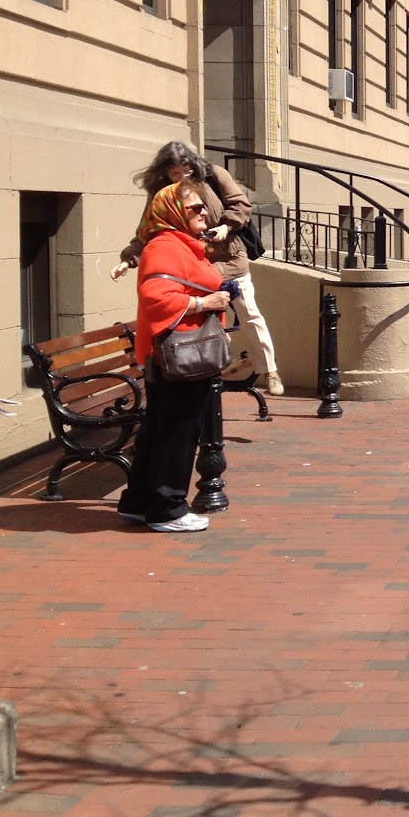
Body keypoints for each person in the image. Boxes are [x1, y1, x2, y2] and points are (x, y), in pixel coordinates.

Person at [112, 142, 283, 397]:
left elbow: (240, 205)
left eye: (187, 172)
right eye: (175, 174)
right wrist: (129, 258)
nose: (182, 178)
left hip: (230, 258)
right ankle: (208, 370)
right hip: (197, 268)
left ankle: (270, 371)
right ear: (165, 173)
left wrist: (227, 226)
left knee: (249, 314)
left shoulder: (213, 175)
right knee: (206, 323)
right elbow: (150, 227)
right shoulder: (164, 193)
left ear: (194, 165)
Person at [118, 183, 231, 533]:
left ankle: (139, 502)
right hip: (180, 354)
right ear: (173, 211)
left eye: (203, 207)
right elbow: (155, 296)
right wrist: (203, 303)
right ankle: (168, 508)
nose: (203, 212)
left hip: (180, 350)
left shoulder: (182, 244)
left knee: (159, 430)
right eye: (195, 207)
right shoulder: (165, 246)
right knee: (180, 430)